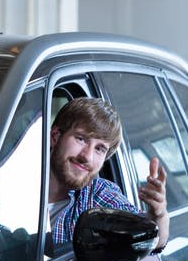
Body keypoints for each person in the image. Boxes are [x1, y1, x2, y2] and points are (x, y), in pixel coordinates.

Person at [49, 97, 169, 250]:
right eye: (81, 139)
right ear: (55, 136)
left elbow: (151, 239)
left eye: (99, 149)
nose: (87, 156)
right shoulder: (14, 172)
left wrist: (158, 215)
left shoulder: (98, 194)